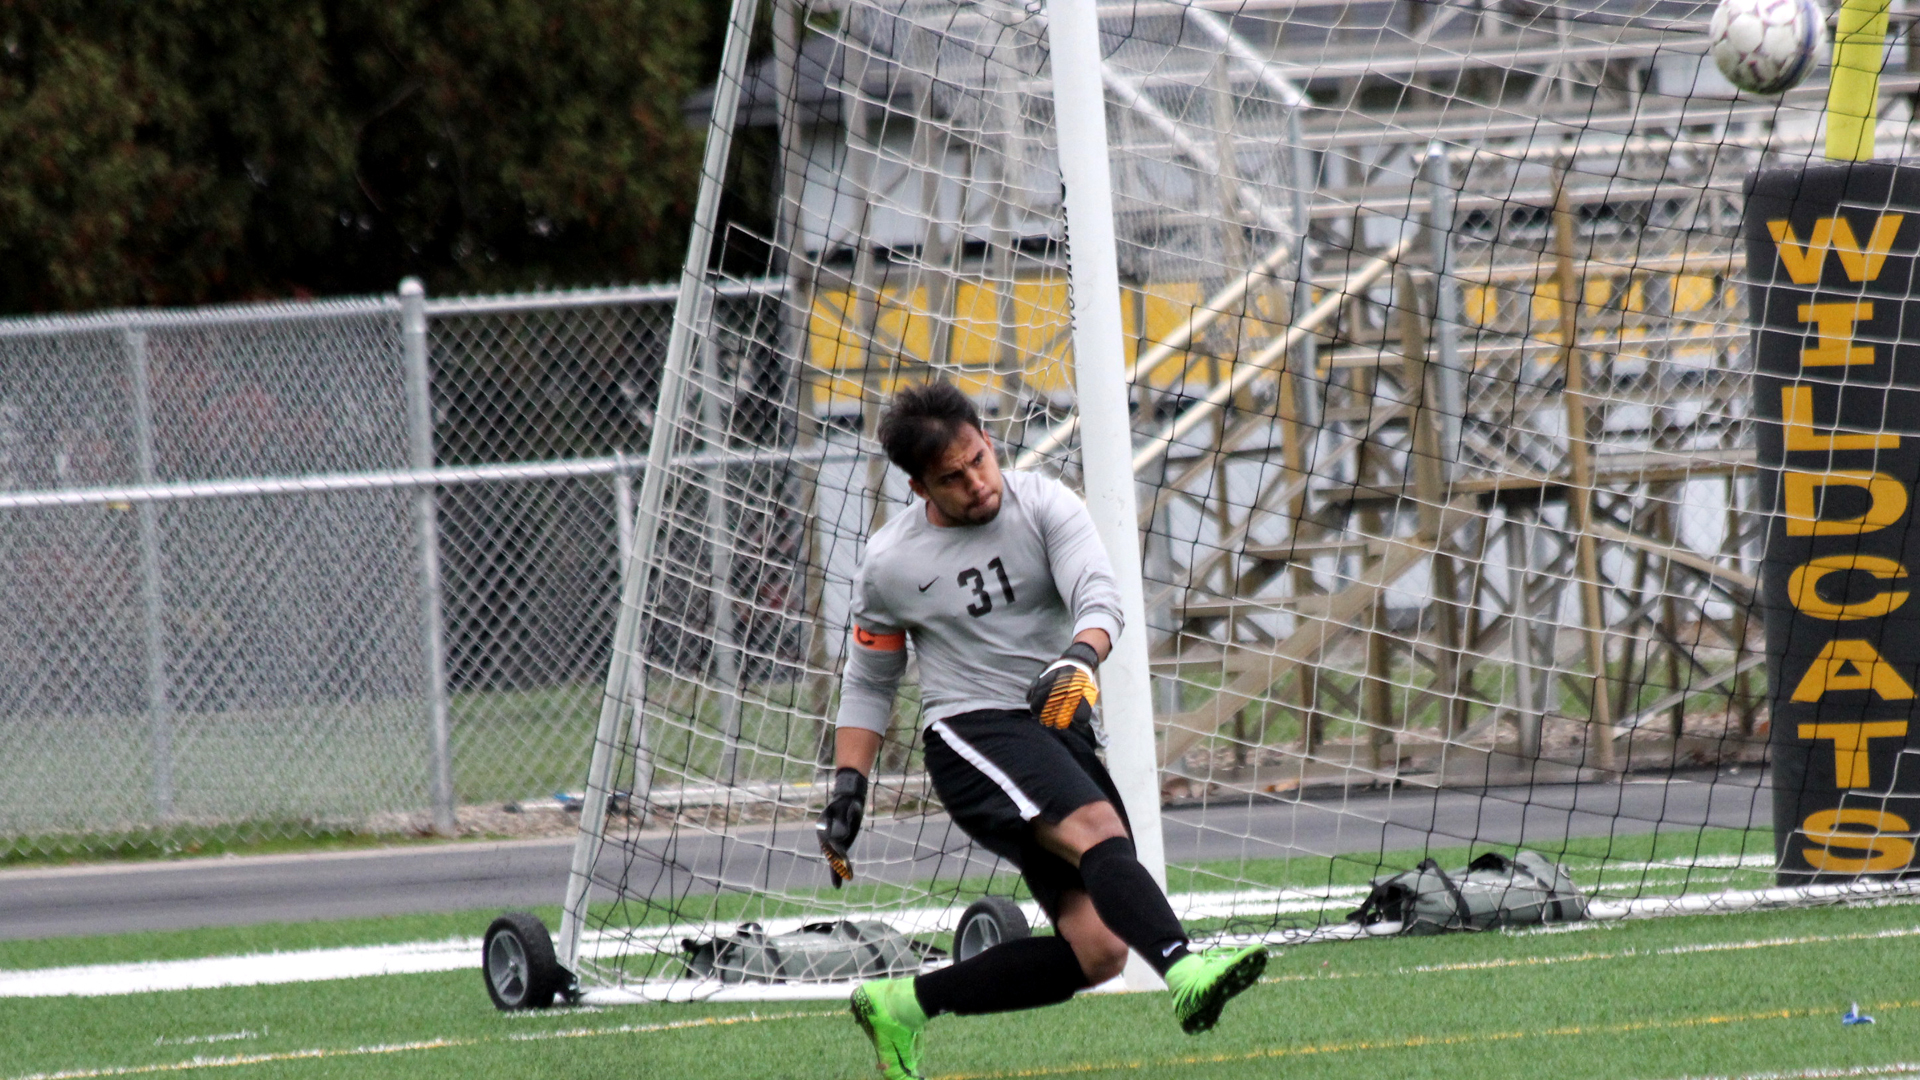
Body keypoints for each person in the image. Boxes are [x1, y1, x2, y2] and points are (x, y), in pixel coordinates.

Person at [817, 380, 1267, 1080]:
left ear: (987, 440)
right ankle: (1185, 972)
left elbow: (1100, 594)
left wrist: (1080, 658)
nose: (975, 482)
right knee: (1095, 829)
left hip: (1057, 726)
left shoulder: (1046, 503)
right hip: (971, 733)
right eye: (951, 478)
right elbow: (872, 678)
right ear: (917, 488)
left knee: (1097, 951)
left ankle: (900, 1003)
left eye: (978, 459)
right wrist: (850, 784)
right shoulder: (889, 565)